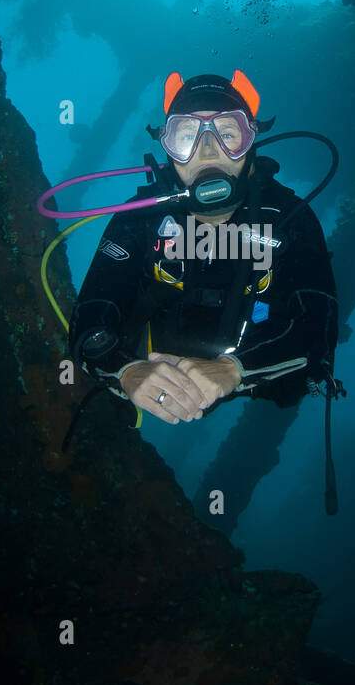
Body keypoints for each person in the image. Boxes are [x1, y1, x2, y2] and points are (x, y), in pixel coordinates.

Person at [68, 70, 339, 424]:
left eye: (228, 134)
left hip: (256, 375)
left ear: (251, 142)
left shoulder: (291, 219)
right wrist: (125, 371)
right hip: (156, 363)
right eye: (187, 136)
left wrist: (234, 370)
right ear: (168, 150)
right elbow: (90, 315)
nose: (208, 149)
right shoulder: (140, 219)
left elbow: (320, 324)